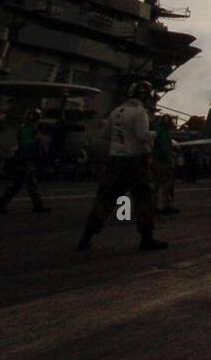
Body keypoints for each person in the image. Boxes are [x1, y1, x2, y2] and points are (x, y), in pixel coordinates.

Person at [77, 82, 166, 251]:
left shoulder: (116, 111)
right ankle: (147, 239)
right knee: (144, 200)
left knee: (104, 200)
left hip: (115, 161)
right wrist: (156, 133)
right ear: (146, 96)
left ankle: (85, 238)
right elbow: (142, 136)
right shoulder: (140, 112)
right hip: (136, 162)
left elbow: (105, 135)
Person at [0, 109, 50, 214]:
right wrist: (37, 143)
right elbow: (27, 145)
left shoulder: (29, 129)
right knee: (17, 184)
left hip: (28, 160)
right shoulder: (28, 130)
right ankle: (0, 206)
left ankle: (38, 206)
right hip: (26, 161)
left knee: (32, 185)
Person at [152, 114, 179, 215]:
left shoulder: (157, 131)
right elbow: (165, 148)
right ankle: (166, 206)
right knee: (166, 185)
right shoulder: (164, 133)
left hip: (156, 161)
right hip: (164, 162)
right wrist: (169, 159)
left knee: (156, 185)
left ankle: (154, 206)